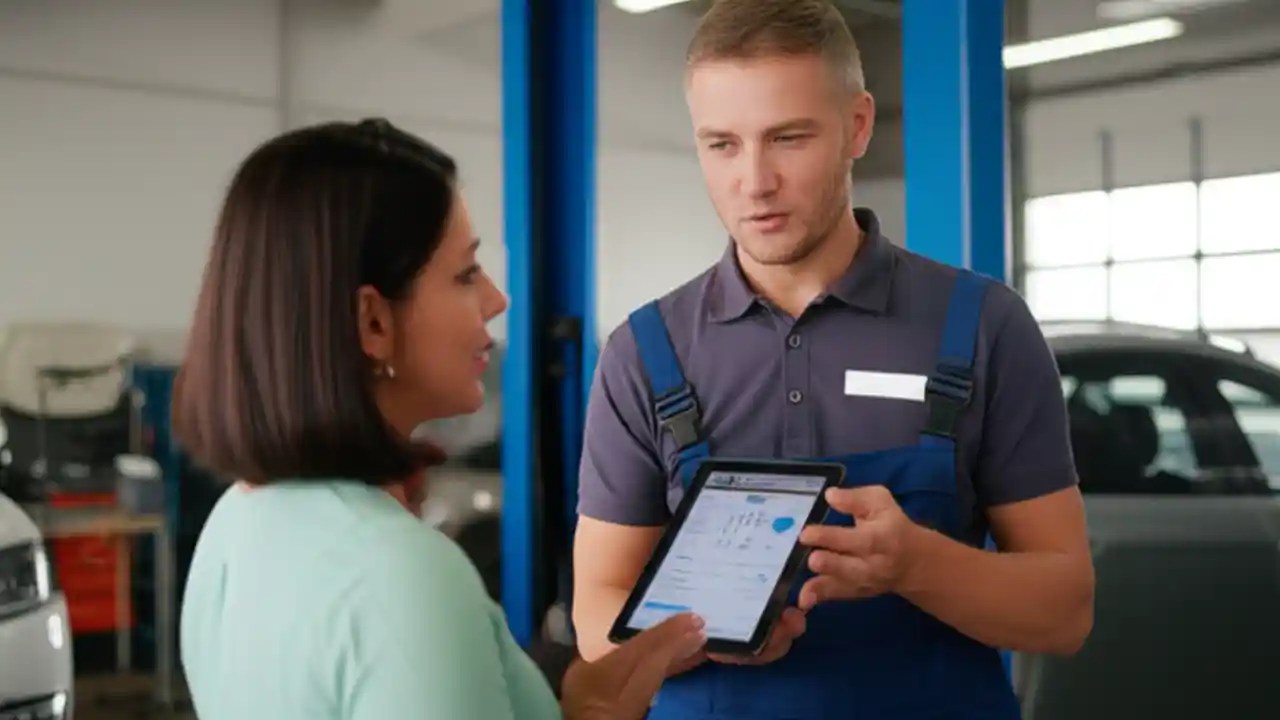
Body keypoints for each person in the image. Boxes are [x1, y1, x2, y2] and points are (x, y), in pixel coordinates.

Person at [570, 1, 1095, 718]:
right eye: (721, 144)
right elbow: (596, 612)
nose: (753, 181)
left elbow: (1064, 611)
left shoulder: (982, 326)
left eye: (787, 138)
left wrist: (916, 565)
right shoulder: (645, 353)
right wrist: (701, 637)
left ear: (858, 126)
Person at [174, 118, 707, 720]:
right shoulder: (402, 576)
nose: (496, 301)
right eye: (464, 275)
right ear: (373, 322)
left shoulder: (236, 519)